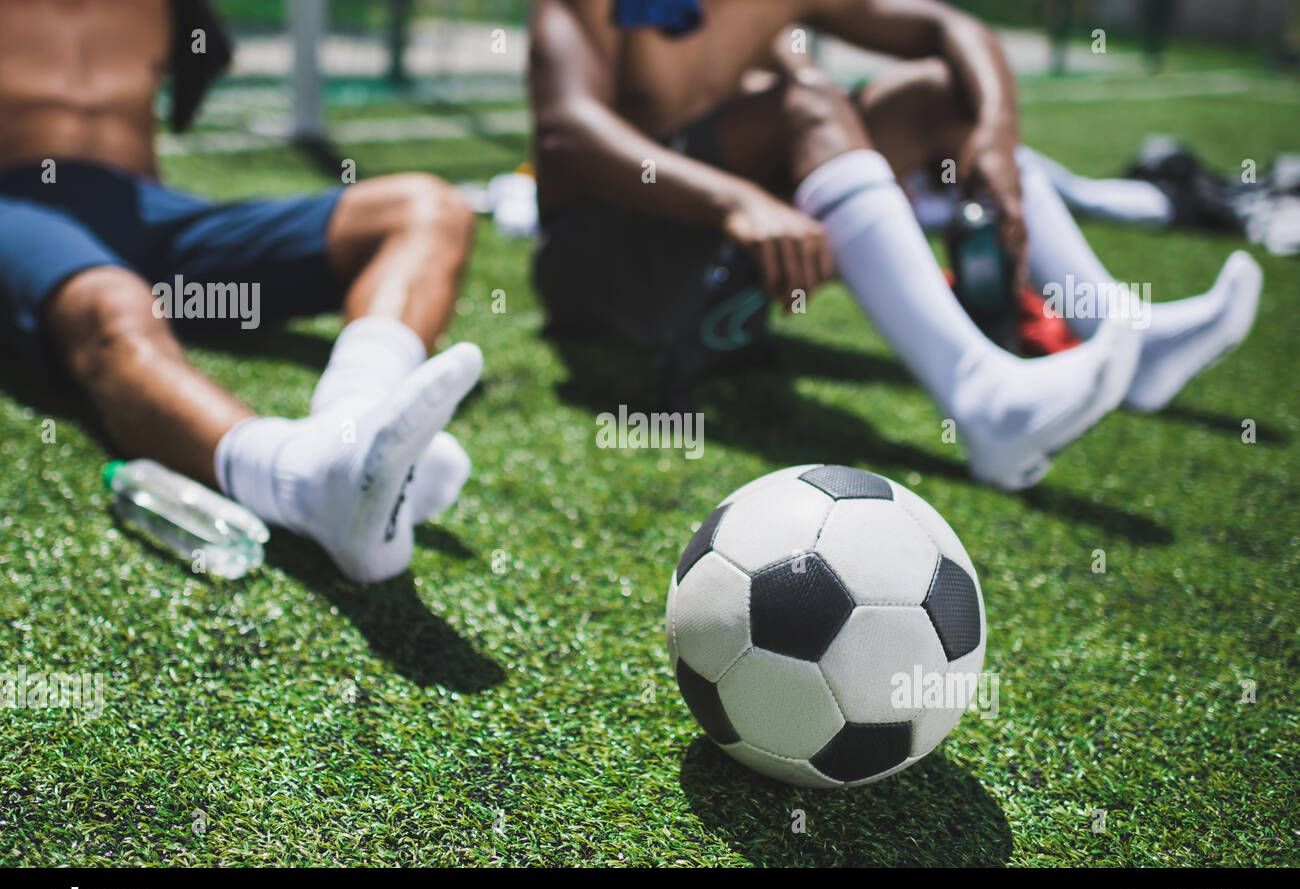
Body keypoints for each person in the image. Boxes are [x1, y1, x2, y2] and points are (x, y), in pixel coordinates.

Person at [528, 0, 1262, 489]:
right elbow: (565, 131)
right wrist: (739, 198)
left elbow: (953, 30)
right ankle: (984, 397)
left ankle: (1124, 334)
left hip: (715, 255)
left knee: (932, 99)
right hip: (601, 280)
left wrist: (997, 141)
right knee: (809, 103)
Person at [0, 0, 483, 583]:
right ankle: (303, 481)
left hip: (152, 214)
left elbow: (202, 62)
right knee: (113, 305)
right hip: (19, 209)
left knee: (428, 207)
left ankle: (353, 430)